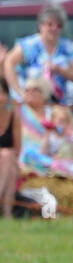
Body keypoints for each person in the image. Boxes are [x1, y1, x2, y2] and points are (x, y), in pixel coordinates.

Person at [18, 76, 73, 188]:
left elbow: (72, 136)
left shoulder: (56, 113)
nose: (30, 93)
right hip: (30, 160)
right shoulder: (19, 113)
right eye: (27, 90)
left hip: (54, 160)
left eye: (35, 89)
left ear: (44, 93)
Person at [3, 4, 73, 105]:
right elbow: (8, 62)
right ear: (41, 26)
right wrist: (19, 91)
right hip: (32, 107)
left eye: (59, 25)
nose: (54, 28)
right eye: (50, 24)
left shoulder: (66, 47)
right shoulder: (29, 45)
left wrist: (60, 70)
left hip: (58, 106)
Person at [0, 78, 18, 216]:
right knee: (7, 158)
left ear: (6, 96)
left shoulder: (14, 116)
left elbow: (18, 149)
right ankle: (7, 214)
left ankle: (7, 215)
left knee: (9, 158)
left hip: (9, 161)